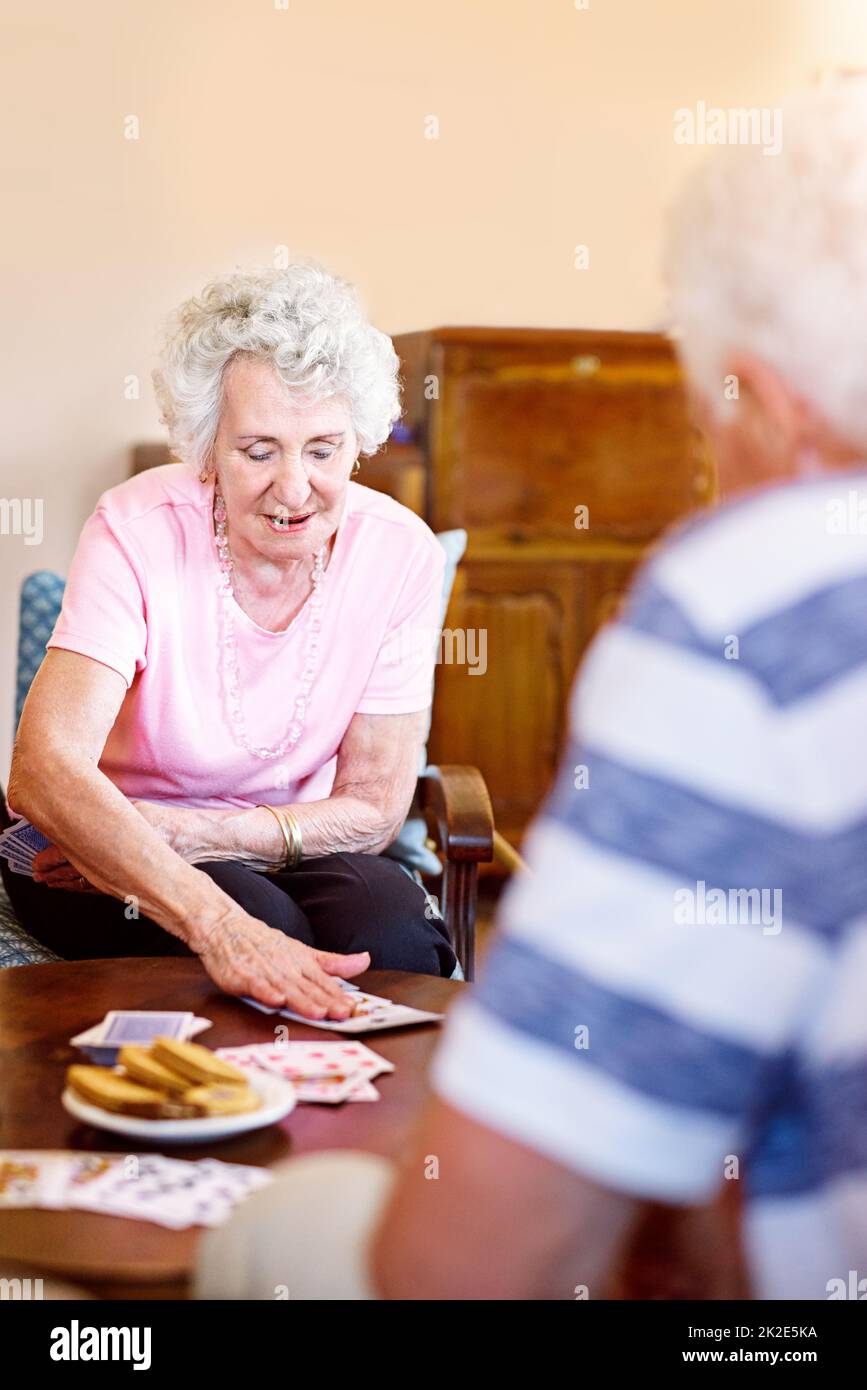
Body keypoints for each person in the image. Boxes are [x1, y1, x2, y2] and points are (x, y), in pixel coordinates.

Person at [197, 83, 867, 1299]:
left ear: (771, 407)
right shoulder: (146, 538)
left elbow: (476, 1262)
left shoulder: (756, 607)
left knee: (284, 1229)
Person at [5, 264, 456, 1017]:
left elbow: (375, 807)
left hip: (298, 841)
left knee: (394, 940)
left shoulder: (400, 552)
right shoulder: (135, 528)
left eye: (323, 449)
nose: (293, 486)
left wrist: (203, 833)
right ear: (206, 445)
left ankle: (370, 1132)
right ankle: (230, 1130)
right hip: (105, 852)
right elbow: (42, 771)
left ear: (359, 442)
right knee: (256, 929)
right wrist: (212, 914)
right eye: (258, 450)